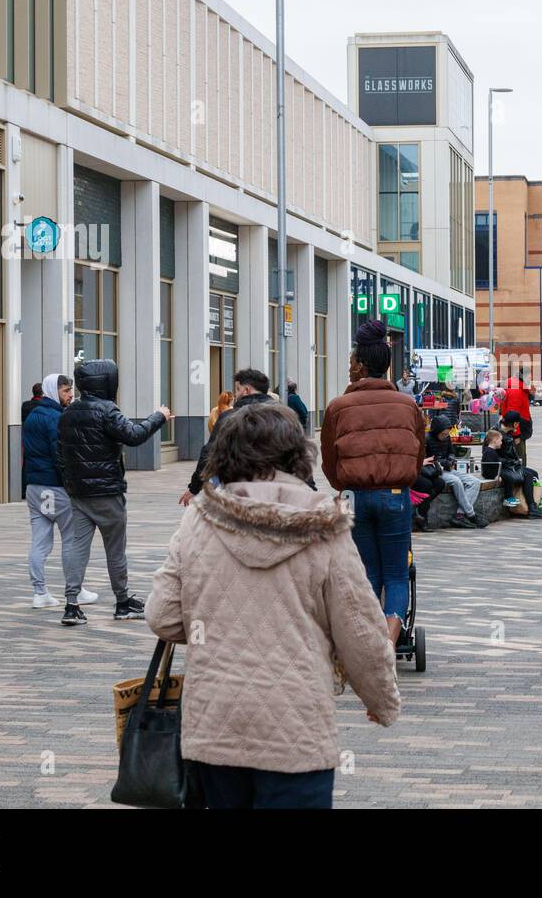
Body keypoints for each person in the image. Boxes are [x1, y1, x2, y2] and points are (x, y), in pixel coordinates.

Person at [146, 402, 400, 809]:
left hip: (214, 727)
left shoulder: (199, 518)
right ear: (297, 454)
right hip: (296, 729)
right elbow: (360, 630)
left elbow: (162, 615)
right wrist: (381, 701)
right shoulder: (325, 524)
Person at [320, 320, 425, 646]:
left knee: (367, 574)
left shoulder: (338, 407)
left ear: (361, 366)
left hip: (356, 497)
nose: (349, 368)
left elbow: (329, 459)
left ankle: (368, 643)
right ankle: (388, 643)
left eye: (352, 363)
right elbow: (418, 455)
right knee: (396, 575)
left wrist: (346, 484)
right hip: (396, 495)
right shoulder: (408, 405)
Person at [57, 359, 172, 626]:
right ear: (107, 382)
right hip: (107, 492)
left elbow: (60, 454)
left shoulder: (68, 413)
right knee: (115, 549)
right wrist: (159, 416)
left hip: (78, 493)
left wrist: (70, 482)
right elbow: (134, 435)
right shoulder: (107, 411)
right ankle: (122, 602)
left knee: (77, 547)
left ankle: (72, 605)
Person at [22, 374, 95, 609]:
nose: (70, 395)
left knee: (39, 542)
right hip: (56, 486)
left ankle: (39, 592)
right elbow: (60, 456)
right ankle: (75, 590)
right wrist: (74, 484)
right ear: (54, 391)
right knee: (71, 540)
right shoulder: (56, 418)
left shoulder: (32, 415)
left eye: (71, 390)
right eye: (65, 390)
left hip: (34, 486)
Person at [183, 368, 274, 504]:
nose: (236, 395)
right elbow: (297, 453)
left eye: (237, 389)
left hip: (236, 491)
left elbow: (209, 453)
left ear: (246, 390)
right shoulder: (284, 417)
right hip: (273, 490)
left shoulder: (230, 418)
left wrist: (194, 488)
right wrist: (308, 488)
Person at [425, 414, 486, 529]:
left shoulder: (447, 438)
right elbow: (427, 459)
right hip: (436, 471)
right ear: (436, 430)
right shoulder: (427, 439)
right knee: (456, 481)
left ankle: (460, 515)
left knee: (474, 482)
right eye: (443, 433)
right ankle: (471, 515)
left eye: (447, 433)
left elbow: (451, 452)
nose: (445, 435)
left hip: (448, 469)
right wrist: (443, 462)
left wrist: (451, 459)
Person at [488, 412, 542, 515]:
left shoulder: (507, 431)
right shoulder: (496, 433)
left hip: (510, 465)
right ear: (515, 424)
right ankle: (531, 507)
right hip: (501, 468)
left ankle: (534, 505)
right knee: (528, 475)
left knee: (533, 473)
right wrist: (509, 462)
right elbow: (489, 453)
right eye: (518, 423)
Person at [504, 374, 533, 463]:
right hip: (517, 431)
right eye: (529, 377)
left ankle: (521, 474)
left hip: (520, 428)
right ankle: (520, 475)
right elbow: (512, 415)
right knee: (519, 457)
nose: (530, 380)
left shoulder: (519, 388)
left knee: (520, 456)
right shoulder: (515, 391)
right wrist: (516, 434)